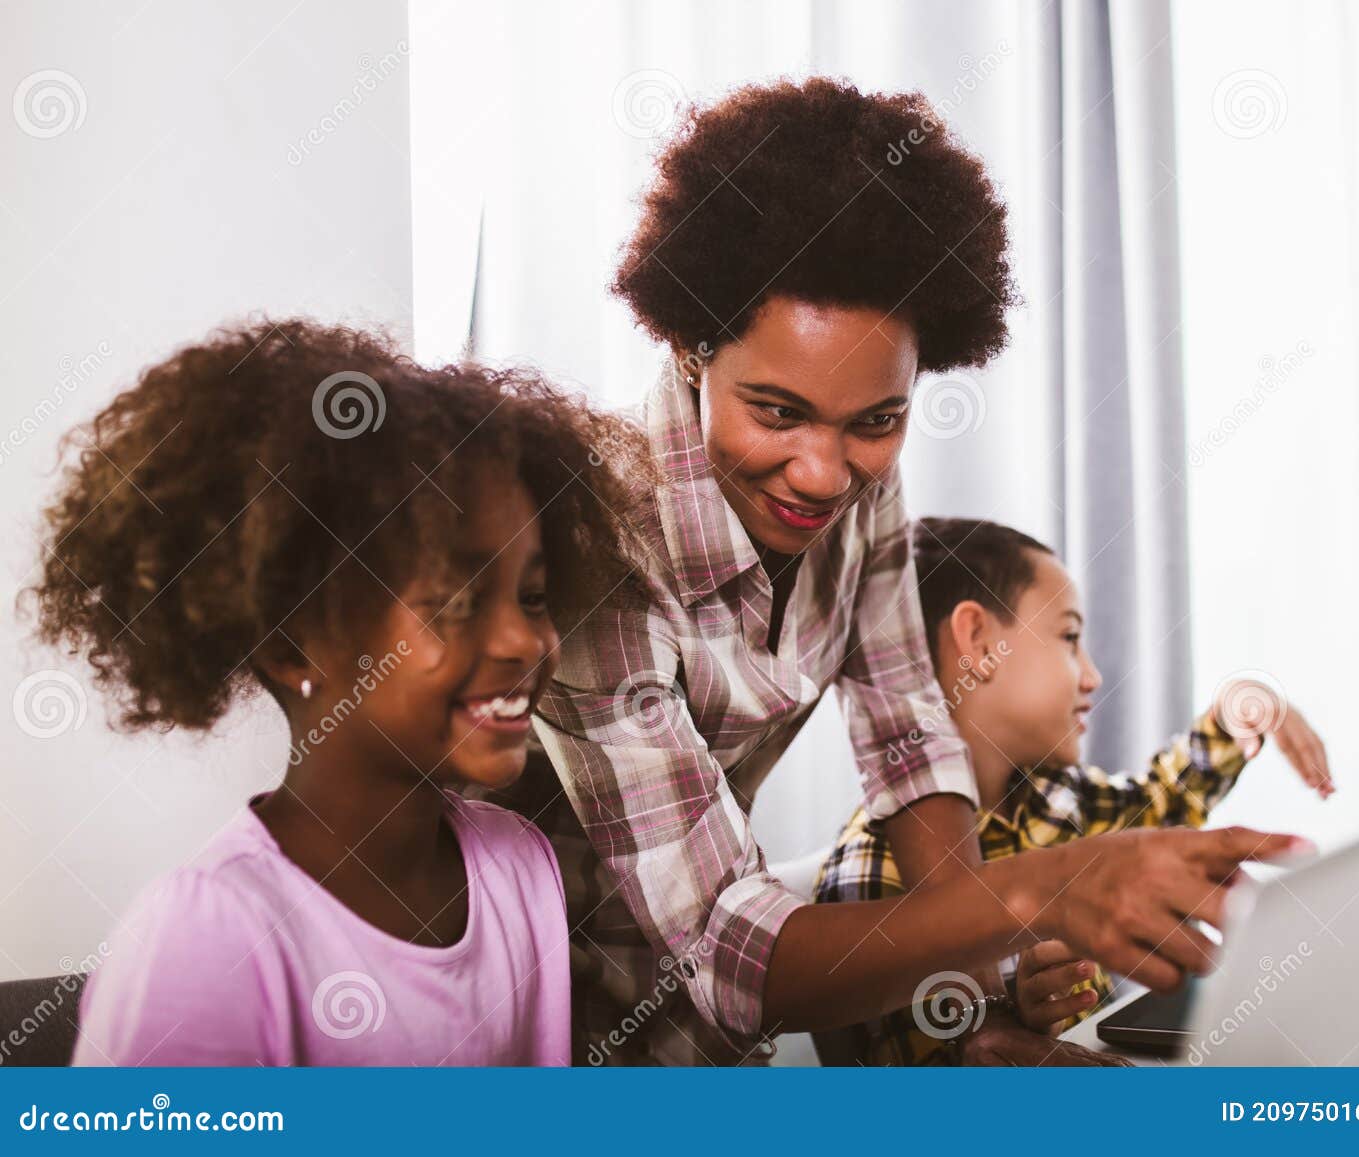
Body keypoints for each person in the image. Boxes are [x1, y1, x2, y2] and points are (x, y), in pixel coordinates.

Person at [486, 78, 1308, 1066]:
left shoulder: (850, 472)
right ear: (689, 347)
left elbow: (907, 731)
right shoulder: (601, 558)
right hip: (559, 1044)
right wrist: (1043, 890)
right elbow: (730, 958)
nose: (825, 472)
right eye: (776, 411)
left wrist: (983, 976)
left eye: (876, 419)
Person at [25, 319, 638, 1065]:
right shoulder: (206, 938)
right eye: (455, 601)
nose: (523, 641)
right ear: (292, 645)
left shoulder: (521, 869)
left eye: (534, 595)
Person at [813, 517, 1333, 1063]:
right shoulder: (874, 871)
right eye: (1068, 638)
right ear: (977, 641)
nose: (1091, 677)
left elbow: (1163, 802)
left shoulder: (1061, 800)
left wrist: (1239, 705)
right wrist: (1015, 1020)